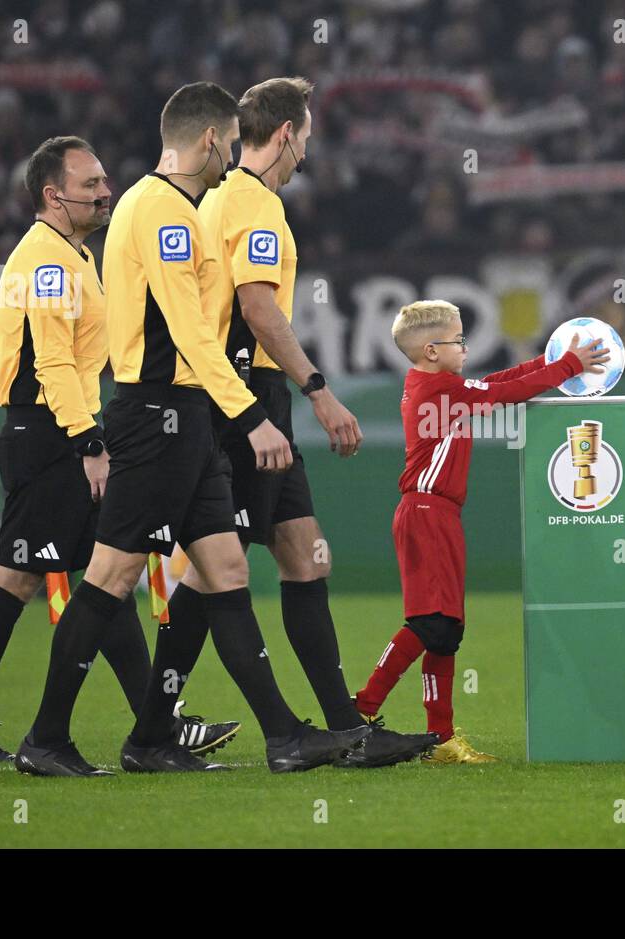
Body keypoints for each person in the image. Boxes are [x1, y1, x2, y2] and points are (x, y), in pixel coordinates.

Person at [14, 83, 369, 777]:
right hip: (155, 415)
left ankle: (278, 736)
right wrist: (253, 415)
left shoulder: (178, 210)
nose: (234, 155)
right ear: (211, 140)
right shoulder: (162, 214)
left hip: (190, 418)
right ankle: (46, 738)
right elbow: (189, 332)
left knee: (226, 568)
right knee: (111, 575)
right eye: (232, 143)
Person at [0, 135, 237, 765]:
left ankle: (157, 724)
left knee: (110, 577)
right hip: (48, 434)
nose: (105, 193)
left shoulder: (72, 255)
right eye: (91, 185)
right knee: (18, 579)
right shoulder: (47, 262)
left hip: (64, 431)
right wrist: (89, 441)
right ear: (54, 195)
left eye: (103, 182)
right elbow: (52, 364)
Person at [196, 76, 438, 768]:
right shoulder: (256, 207)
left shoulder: (222, 200)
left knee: (304, 553)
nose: (305, 153)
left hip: (254, 397)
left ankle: (348, 728)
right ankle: (160, 724)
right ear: (283, 134)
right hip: (248, 401)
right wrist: (320, 391)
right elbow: (258, 309)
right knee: (217, 567)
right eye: (304, 138)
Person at [353, 301, 608, 762]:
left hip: (439, 515)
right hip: (426, 513)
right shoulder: (436, 389)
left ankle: (441, 739)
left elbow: (494, 385)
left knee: (446, 630)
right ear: (431, 350)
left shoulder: (442, 385)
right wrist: (570, 366)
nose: (466, 348)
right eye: (459, 341)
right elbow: (502, 395)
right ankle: (358, 712)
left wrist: (550, 362)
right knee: (429, 624)